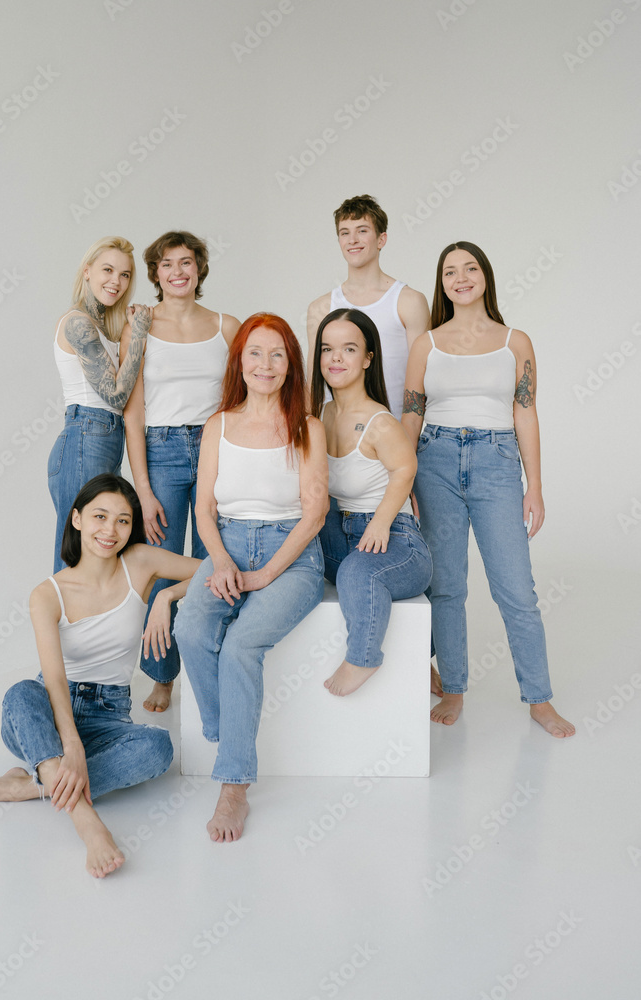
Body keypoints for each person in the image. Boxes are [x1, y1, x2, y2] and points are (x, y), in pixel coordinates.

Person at [0, 475, 201, 877]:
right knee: (20, 692)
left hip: (108, 717)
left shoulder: (140, 563)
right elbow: (55, 680)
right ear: (77, 519)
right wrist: (71, 744)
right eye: (100, 516)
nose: (110, 530)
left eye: (122, 520)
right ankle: (85, 820)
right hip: (45, 717)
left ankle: (28, 785)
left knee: (158, 748)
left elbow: (213, 569)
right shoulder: (47, 594)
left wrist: (166, 596)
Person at [401, 241, 575, 737]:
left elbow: (526, 412)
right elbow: (411, 414)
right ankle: (453, 688)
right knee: (446, 586)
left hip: (497, 464)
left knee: (516, 590)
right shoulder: (426, 344)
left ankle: (539, 699)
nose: (460, 278)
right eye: (450, 272)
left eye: (470, 268)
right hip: (434, 461)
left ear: (485, 276)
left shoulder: (515, 342)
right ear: (442, 283)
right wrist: (404, 480)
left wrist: (534, 486)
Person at [175, 314, 328, 842]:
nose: (266, 365)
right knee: (190, 628)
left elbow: (314, 513)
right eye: (255, 353)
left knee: (241, 645)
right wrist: (221, 562)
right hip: (229, 543)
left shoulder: (307, 427)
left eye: (277, 354)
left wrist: (265, 574)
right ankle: (226, 732)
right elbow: (204, 509)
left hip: (293, 554)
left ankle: (234, 787)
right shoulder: (218, 425)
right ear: (240, 361)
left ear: (291, 365)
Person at [123, 231, 239, 714]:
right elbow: (133, 412)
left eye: (186, 262)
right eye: (167, 264)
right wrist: (143, 490)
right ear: (155, 273)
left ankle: (214, 664)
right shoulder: (140, 326)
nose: (177, 272)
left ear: (199, 268)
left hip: (216, 448)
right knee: (163, 562)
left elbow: (243, 396)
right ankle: (163, 676)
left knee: (216, 559)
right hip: (162, 450)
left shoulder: (226, 326)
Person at [311, 308, 432, 696]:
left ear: (367, 359)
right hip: (339, 532)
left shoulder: (380, 422)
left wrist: (381, 522)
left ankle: (363, 658)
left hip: (395, 539)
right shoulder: (320, 413)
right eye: (327, 349)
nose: (335, 358)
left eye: (349, 349)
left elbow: (405, 469)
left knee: (357, 573)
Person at [48, 236, 152, 573]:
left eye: (125, 275)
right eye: (108, 270)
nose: (116, 281)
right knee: (76, 554)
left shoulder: (104, 328)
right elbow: (116, 395)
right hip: (85, 437)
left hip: (104, 440)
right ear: (87, 271)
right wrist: (138, 334)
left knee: (99, 556)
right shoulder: (77, 322)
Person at [306, 194, 431, 422]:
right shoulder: (320, 308)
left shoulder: (409, 302)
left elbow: (420, 383)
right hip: (333, 433)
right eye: (345, 233)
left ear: (381, 239)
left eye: (362, 230)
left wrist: (406, 437)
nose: (352, 240)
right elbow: (313, 385)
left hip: (391, 432)